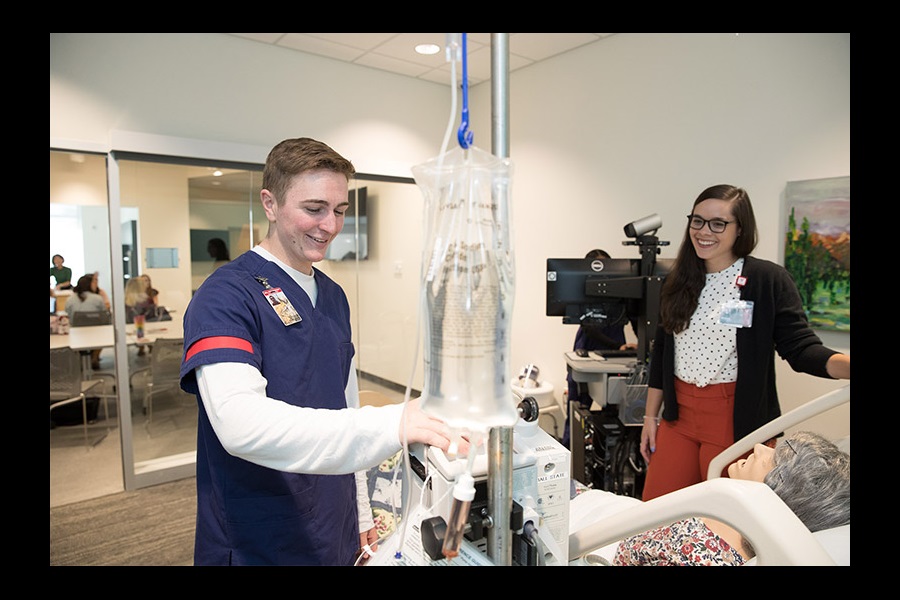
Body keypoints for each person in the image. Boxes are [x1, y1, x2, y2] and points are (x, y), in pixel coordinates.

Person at [179, 137, 467, 566]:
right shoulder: (226, 295)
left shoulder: (332, 296)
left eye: (339, 211)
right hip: (259, 527)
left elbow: (344, 402)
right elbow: (240, 425)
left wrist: (361, 508)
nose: (330, 225)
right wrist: (393, 422)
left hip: (333, 515)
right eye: (314, 209)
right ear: (270, 204)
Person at [639, 184, 851, 501]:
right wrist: (650, 418)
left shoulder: (767, 280)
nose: (704, 231)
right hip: (678, 419)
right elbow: (662, 355)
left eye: (718, 223)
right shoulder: (678, 280)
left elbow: (800, 348)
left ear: (740, 229)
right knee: (655, 510)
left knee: (726, 520)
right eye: (697, 221)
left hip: (736, 420)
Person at [612, 430, 849, 565]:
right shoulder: (730, 525)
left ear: (789, 493)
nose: (759, 448)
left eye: (776, 460)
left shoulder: (694, 558)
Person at [561, 249, 638, 448]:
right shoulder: (583, 293)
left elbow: (637, 318)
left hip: (615, 355)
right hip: (589, 351)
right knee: (577, 409)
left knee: (614, 414)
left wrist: (644, 345)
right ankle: (570, 455)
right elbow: (590, 327)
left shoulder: (623, 293)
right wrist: (617, 346)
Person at [66, 273, 108, 369]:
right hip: (97, 333)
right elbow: (104, 315)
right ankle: (94, 357)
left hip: (76, 333)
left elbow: (68, 315)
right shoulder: (97, 299)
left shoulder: (70, 299)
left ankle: (81, 359)